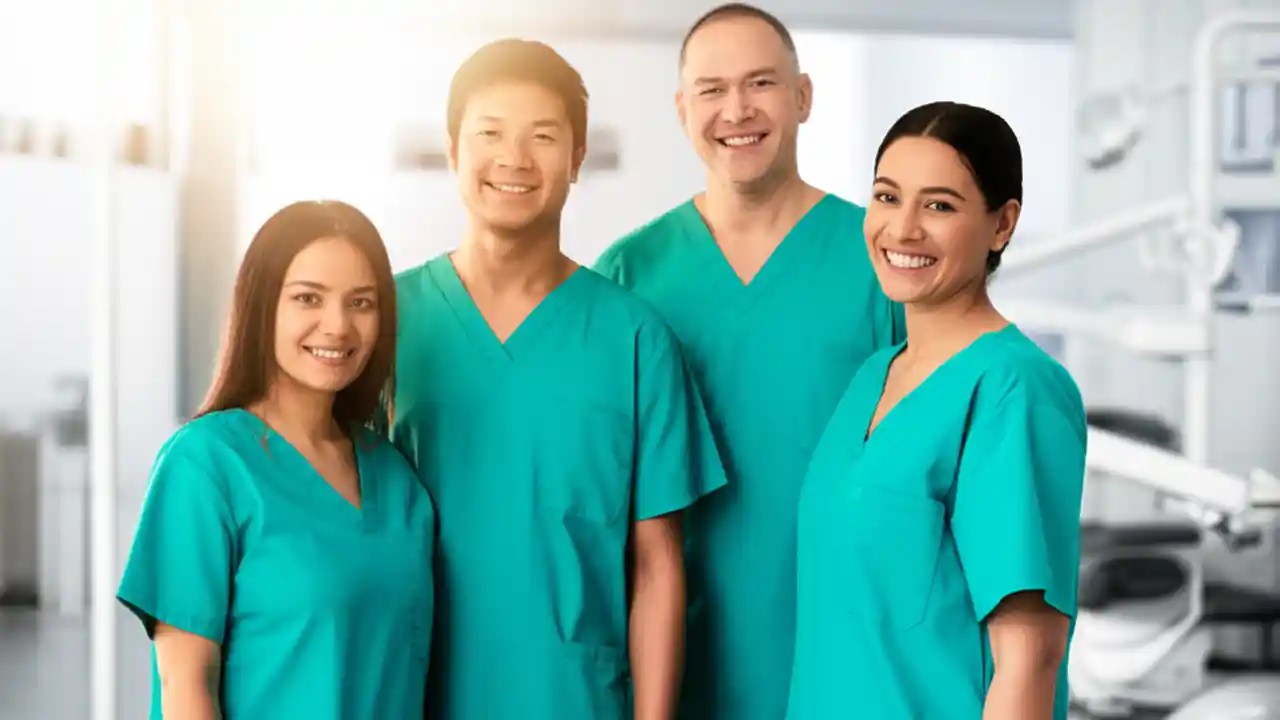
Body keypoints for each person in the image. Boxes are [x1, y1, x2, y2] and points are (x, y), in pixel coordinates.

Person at [380, 39, 726, 720]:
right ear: (453, 151)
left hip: (574, 698)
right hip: (408, 693)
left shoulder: (636, 340)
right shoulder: (386, 322)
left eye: (542, 136)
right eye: (489, 134)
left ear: (575, 160)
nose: (514, 157)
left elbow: (658, 568)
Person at [593, 5, 903, 718]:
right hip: (678, 662)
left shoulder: (879, 262)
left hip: (847, 651)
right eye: (712, 89)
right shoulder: (629, 275)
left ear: (802, 97)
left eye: (761, 84)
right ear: (682, 109)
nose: (737, 110)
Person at [784, 101, 1086, 719]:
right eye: (888, 197)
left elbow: (1029, 660)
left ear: (1002, 225)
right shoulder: (875, 373)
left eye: (940, 206)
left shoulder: (1012, 388)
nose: (903, 229)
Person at [116, 200, 436, 719]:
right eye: (308, 298)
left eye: (361, 303)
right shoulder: (206, 465)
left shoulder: (397, 480)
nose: (337, 325)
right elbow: (185, 683)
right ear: (263, 305)